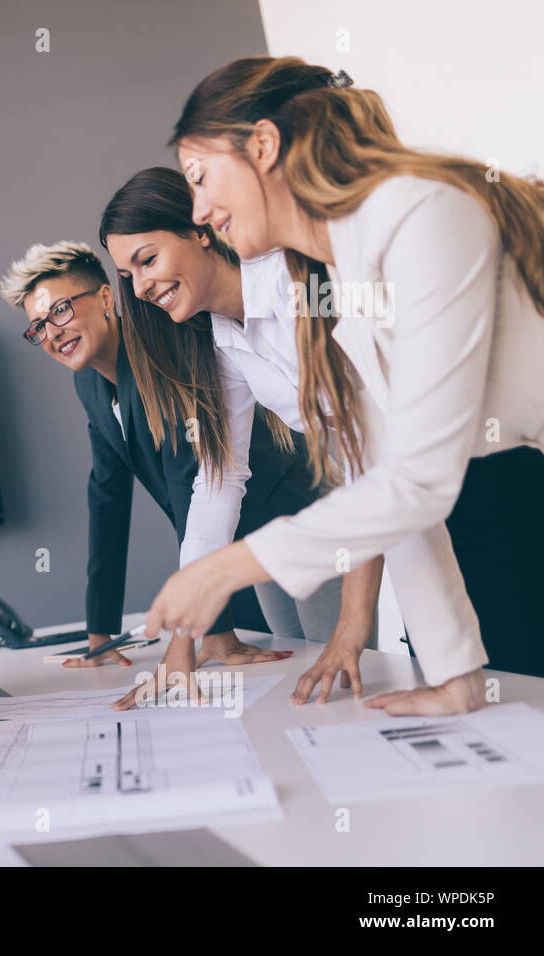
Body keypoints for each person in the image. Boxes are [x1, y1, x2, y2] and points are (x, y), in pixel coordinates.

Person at [146, 56, 544, 715]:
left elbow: (418, 481)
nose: (199, 209)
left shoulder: (420, 215)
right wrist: (457, 677)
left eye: (200, 177)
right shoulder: (350, 279)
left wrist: (226, 568)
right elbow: (389, 486)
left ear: (265, 146)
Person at [98, 167, 373, 706]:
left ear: (200, 230)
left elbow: (374, 458)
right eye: (127, 274)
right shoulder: (225, 339)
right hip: (405, 494)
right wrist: (181, 647)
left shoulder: (295, 282)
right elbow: (218, 481)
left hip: (464, 469)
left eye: (147, 259)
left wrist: (352, 624)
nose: (141, 286)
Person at [0, 239, 321, 673]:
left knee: (327, 659)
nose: (52, 333)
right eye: (38, 326)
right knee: (289, 671)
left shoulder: (156, 354)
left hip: (295, 517)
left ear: (107, 297)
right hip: (230, 547)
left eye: (60, 310)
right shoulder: (91, 386)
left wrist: (213, 630)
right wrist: (100, 632)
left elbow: (192, 481)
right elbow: (107, 497)